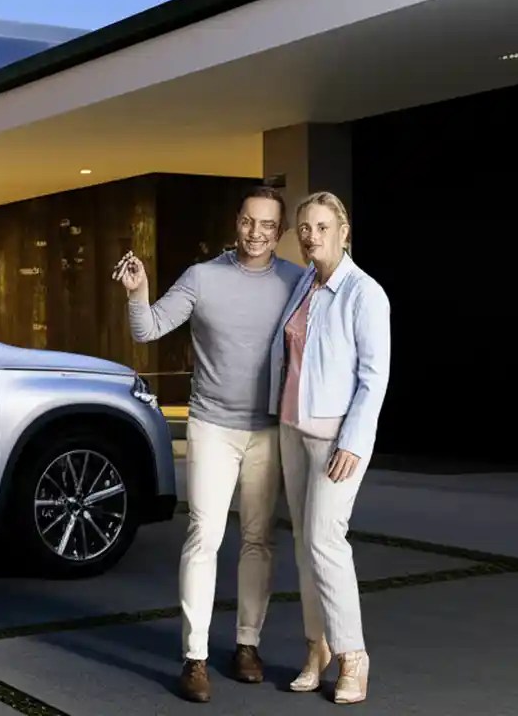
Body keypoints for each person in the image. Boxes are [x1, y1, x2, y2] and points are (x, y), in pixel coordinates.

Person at [115, 186, 305, 703]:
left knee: (260, 539)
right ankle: (194, 657)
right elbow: (148, 329)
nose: (257, 232)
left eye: (268, 225)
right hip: (213, 426)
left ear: (281, 231)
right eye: (249, 221)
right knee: (204, 536)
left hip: (269, 429)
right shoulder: (203, 277)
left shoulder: (296, 281)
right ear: (236, 222)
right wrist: (138, 290)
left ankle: (248, 644)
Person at [268, 191, 390, 705]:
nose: (310, 235)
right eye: (304, 227)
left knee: (325, 541)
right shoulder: (303, 284)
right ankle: (315, 647)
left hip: (337, 439)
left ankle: (353, 657)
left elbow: (374, 377)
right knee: (303, 547)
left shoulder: (365, 293)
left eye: (321, 226)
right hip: (293, 430)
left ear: (343, 231)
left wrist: (355, 442)